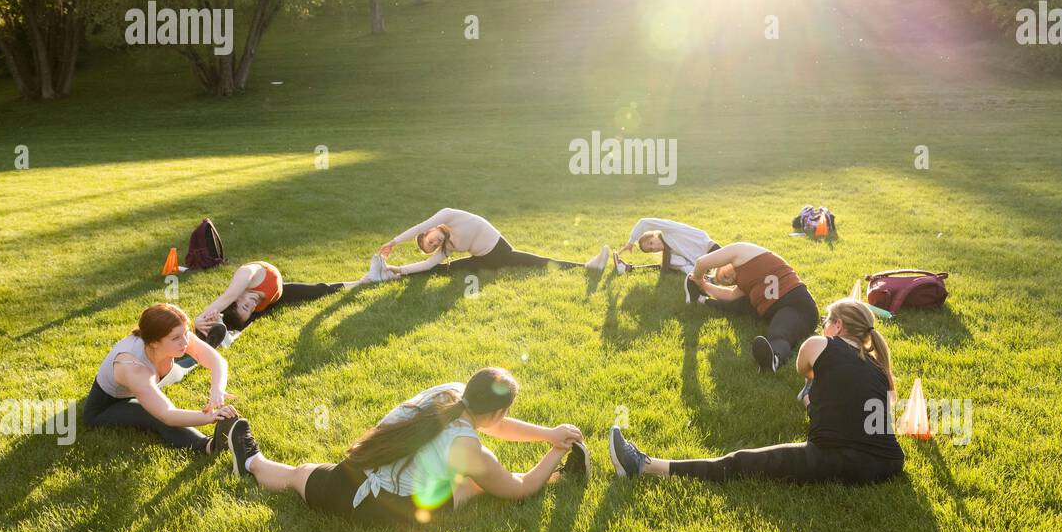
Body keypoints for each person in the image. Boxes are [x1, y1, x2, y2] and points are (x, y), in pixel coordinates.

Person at [218, 367, 590, 526]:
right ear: (497, 409)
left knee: (298, 473)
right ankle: (558, 474)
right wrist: (556, 449)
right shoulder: (471, 451)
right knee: (481, 484)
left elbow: (495, 424)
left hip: (354, 475)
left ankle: (251, 461)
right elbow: (518, 489)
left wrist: (547, 433)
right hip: (387, 508)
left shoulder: (450, 393)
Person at [608, 298, 904, 486]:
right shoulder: (881, 368)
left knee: (738, 461)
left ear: (837, 326)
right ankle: (808, 401)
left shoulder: (819, 345)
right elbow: (868, 409)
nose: (823, 326)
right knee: (832, 396)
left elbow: (806, 372)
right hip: (888, 463)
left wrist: (811, 393)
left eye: (825, 322)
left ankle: (643, 466)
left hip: (835, 459)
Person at [83, 303, 240, 455]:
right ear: (154, 342)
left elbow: (218, 362)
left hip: (147, 380)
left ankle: (195, 355)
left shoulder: (175, 335)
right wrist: (210, 416)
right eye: (176, 338)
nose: (185, 341)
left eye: (186, 333)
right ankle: (209, 446)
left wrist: (217, 390)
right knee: (154, 416)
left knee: (180, 370)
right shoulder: (134, 369)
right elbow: (167, 414)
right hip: (106, 405)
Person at [368, 207, 610, 280]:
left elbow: (419, 227)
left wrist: (394, 242)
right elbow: (426, 264)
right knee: (440, 269)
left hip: (499, 250)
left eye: (431, 240)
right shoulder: (447, 248)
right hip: (487, 258)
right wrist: (401, 267)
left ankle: (588, 267)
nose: (435, 244)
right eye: (432, 246)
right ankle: (393, 275)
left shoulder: (447, 215)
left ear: (432, 230)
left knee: (537, 261)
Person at [686, 242, 819, 373]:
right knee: (741, 304)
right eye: (728, 282)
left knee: (778, 333)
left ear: (723, 263)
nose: (729, 281)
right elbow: (731, 296)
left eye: (725, 276)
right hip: (777, 312)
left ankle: (773, 359)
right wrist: (704, 286)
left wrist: (697, 279)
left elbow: (701, 263)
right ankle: (702, 300)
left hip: (795, 304)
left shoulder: (740, 251)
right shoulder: (745, 283)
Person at [193, 260, 371, 345]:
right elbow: (240, 308)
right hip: (270, 301)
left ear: (238, 298)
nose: (252, 305)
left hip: (279, 292)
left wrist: (199, 318)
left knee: (319, 290)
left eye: (246, 304)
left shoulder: (247, 274)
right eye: (249, 308)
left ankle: (361, 283)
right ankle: (219, 333)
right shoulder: (254, 308)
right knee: (242, 323)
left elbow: (227, 297)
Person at [612, 218, 719, 276]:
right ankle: (628, 268)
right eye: (651, 250)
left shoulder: (669, 230)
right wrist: (699, 276)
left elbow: (644, 222)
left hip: (713, 250)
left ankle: (628, 268)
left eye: (651, 243)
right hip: (707, 266)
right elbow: (684, 267)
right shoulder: (670, 254)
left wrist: (631, 242)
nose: (654, 247)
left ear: (654, 235)